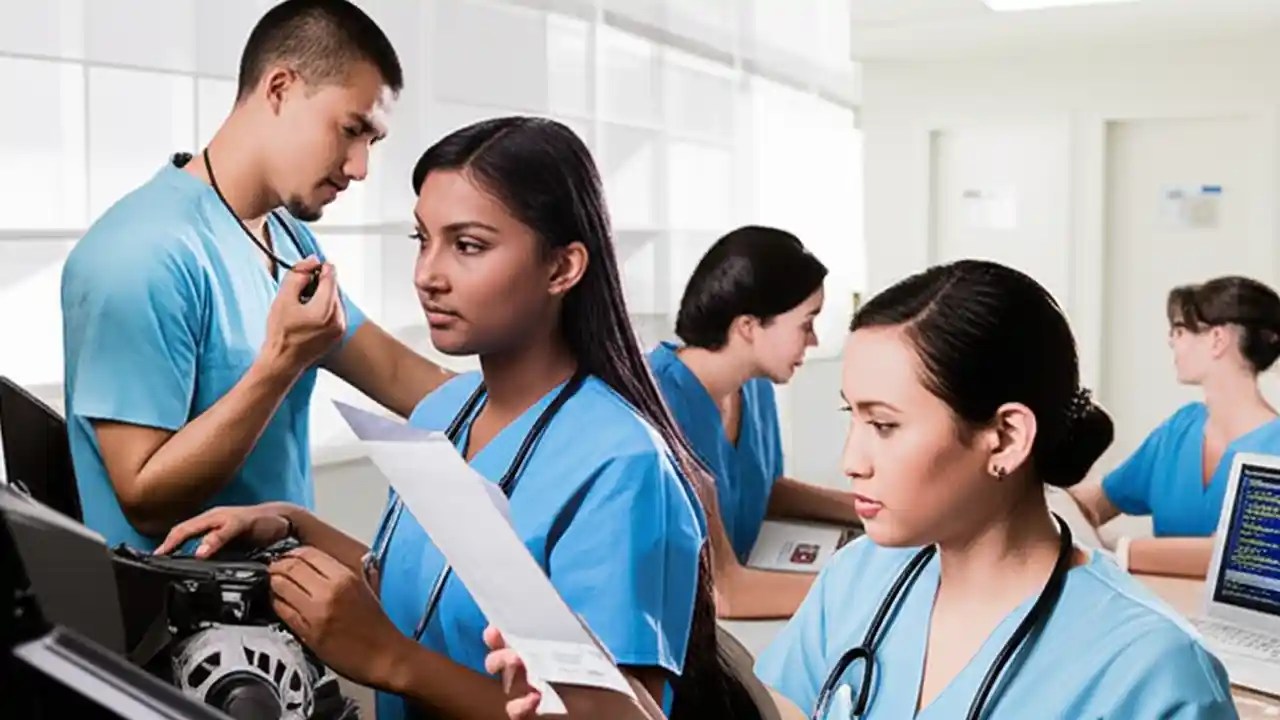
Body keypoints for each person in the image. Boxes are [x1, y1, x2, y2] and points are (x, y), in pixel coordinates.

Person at [156, 117, 761, 720]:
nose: (428, 275)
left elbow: (617, 718)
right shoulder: (446, 410)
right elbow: (431, 589)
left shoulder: (623, 467)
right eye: (423, 240)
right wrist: (292, 524)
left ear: (562, 269)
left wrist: (394, 661)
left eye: (468, 246)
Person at [483, 259, 1237, 720]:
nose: (851, 460)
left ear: (1004, 438)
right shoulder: (861, 581)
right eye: (853, 419)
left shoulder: (1151, 672)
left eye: (883, 425)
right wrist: (606, 705)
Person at [60, 0, 450, 551]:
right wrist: (282, 362)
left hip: (280, 598)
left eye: (373, 142)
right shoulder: (140, 255)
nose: (361, 167)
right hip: (185, 625)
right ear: (280, 89)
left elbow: (397, 374)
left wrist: (564, 403)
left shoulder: (284, 236)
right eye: (351, 129)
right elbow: (144, 500)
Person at [648, 226, 858, 619]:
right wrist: (873, 592)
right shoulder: (658, 404)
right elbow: (722, 591)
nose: (812, 341)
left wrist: (869, 510)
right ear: (748, 327)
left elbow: (761, 489)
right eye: (806, 323)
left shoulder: (753, 386)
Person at [1070, 276, 1280, 578]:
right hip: (1161, 615)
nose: (1171, 340)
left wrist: (1117, 550)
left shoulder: (1274, 447)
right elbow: (1100, 499)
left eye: (1180, 330)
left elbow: (1239, 555)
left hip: (1238, 624)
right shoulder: (1181, 428)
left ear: (1218, 340)